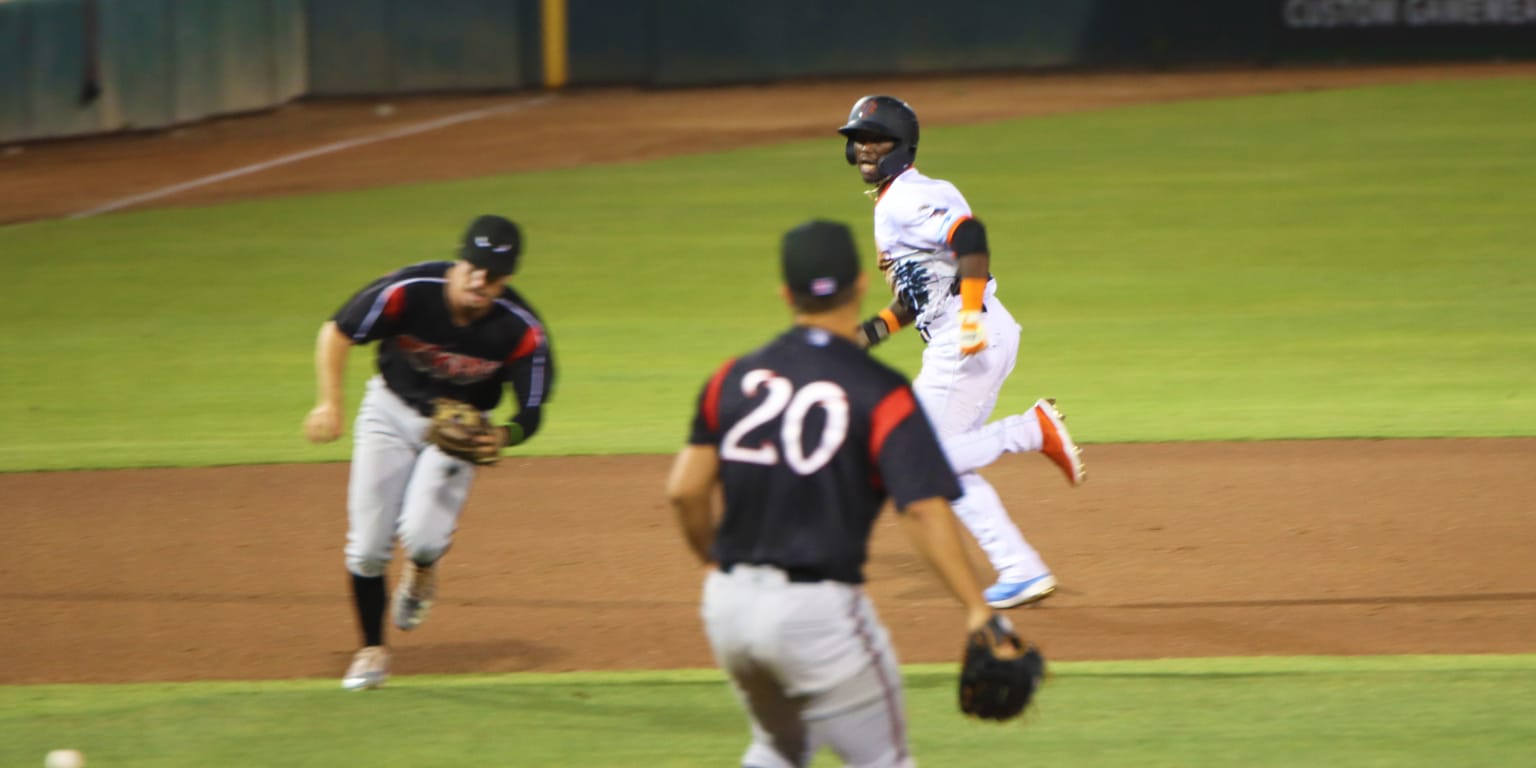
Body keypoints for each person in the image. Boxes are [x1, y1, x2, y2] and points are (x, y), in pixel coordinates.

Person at [667, 219, 1025, 767]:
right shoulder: (879, 393)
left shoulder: (731, 379)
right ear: (861, 286)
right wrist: (978, 611)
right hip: (818, 615)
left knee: (778, 747)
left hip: (729, 613)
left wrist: (718, 567)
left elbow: (685, 492)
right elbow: (924, 511)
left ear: (786, 295)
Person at [837, 94, 1087, 609]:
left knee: (919, 457)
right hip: (969, 335)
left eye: (875, 138)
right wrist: (866, 335)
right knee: (946, 464)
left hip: (968, 336)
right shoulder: (890, 205)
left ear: (901, 146)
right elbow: (914, 299)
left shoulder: (912, 195)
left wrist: (970, 314)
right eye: (858, 139)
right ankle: (1021, 568)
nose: (864, 149)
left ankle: (1029, 430)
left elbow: (968, 235)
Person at [302, 214, 555, 691]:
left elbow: (534, 410)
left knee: (421, 538)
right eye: (475, 267)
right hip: (389, 412)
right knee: (368, 547)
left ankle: (422, 568)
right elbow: (337, 332)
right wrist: (328, 402)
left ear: (508, 279)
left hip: (457, 429)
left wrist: (504, 437)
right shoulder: (410, 290)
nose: (481, 280)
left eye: (494, 274)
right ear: (461, 261)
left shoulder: (521, 330)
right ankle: (372, 651)